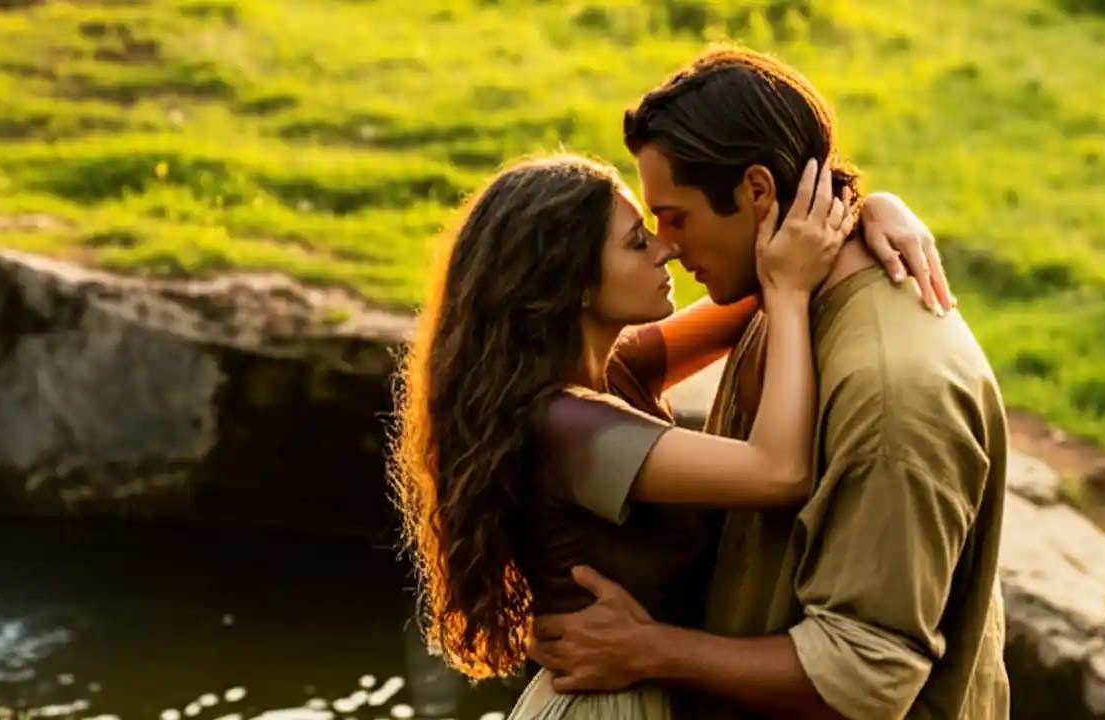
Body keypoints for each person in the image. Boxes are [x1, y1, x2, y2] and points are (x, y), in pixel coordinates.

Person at [527, 49, 1011, 720]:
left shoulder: (892, 398)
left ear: (756, 194)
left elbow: (865, 676)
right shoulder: (780, 299)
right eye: (645, 231)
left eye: (674, 217)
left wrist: (869, 205)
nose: (666, 244)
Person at [391, 149, 948, 719]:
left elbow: (752, 290)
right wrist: (787, 295)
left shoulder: (614, 368)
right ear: (573, 285)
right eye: (638, 242)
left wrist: (874, 210)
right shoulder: (569, 427)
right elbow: (778, 471)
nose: (668, 249)